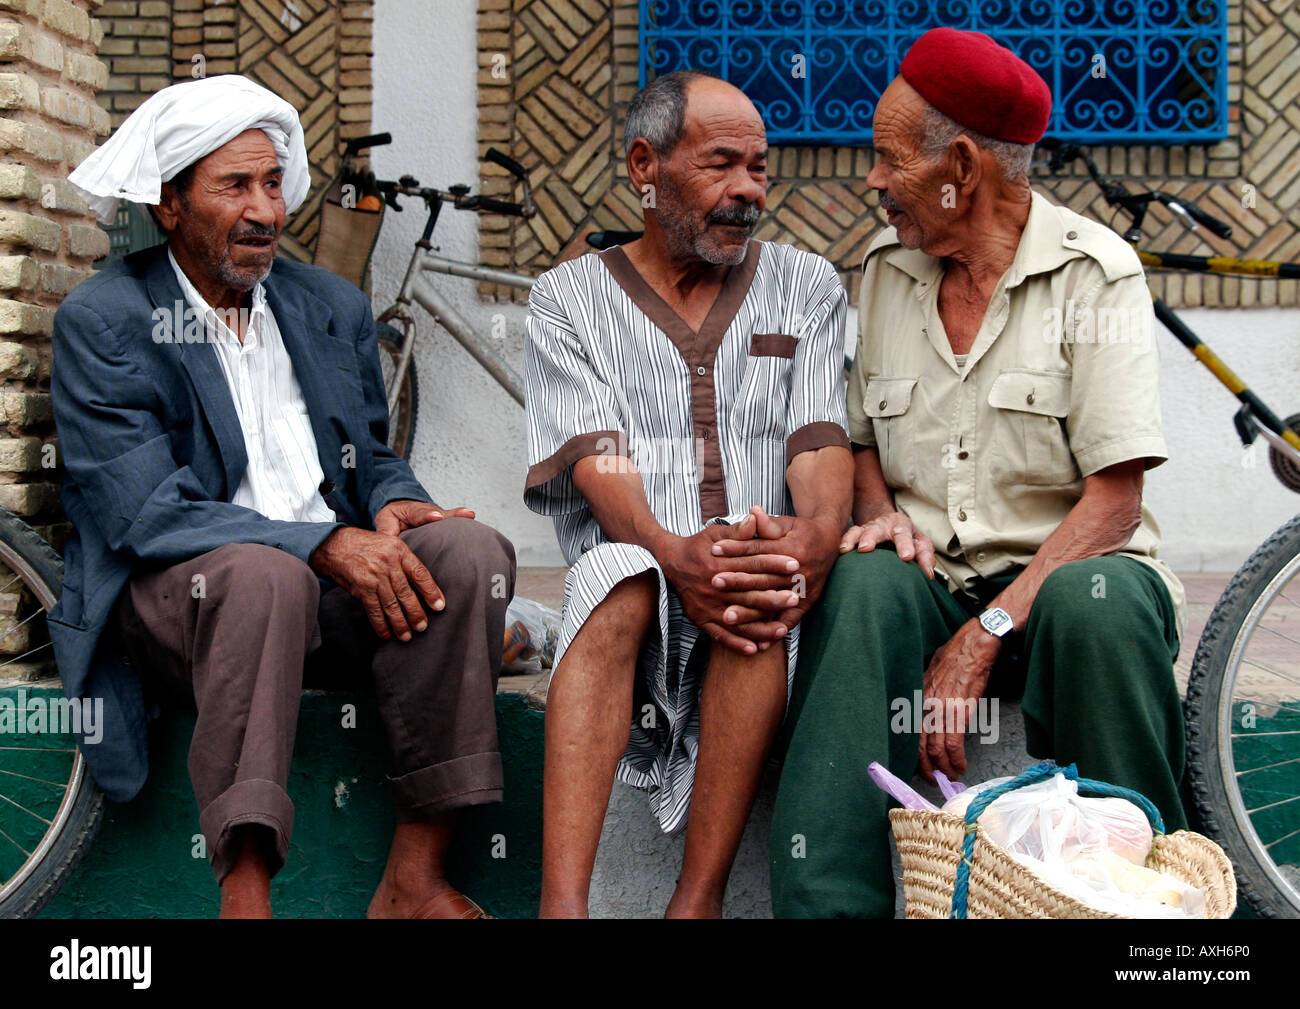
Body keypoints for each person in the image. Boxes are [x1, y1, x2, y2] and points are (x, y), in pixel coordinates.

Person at [53, 75, 515, 918]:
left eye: (273, 183)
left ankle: (413, 877)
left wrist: (394, 502)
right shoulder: (109, 318)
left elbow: (368, 454)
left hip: (322, 598)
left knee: (467, 552)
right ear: (168, 202)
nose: (266, 209)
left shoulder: (327, 304)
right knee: (265, 575)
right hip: (186, 605)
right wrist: (321, 545)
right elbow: (146, 511)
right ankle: (248, 896)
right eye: (235, 186)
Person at [769, 28, 1190, 918]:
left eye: (888, 160)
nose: (873, 182)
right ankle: (828, 907)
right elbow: (862, 441)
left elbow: (1115, 501)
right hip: (936, 576)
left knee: (1097, 608)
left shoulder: (1095, 274)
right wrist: (881, 512)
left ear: (960, 163)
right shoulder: (887, 271)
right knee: (860, 584)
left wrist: (988, 629)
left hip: (1070, 573)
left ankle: (1144, 900)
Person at [523, 71, 853, 917]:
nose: (748, 191)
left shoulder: (807, 285)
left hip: (747, 555)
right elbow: (598, 456)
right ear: (646, 164)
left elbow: (818, 435)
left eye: (760, 168)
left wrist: (815, 535)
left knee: (758, 581)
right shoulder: (569, 299)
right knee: (617, 576)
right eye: (721, 166)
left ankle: (695, 902)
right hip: (640, 559)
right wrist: (674, 553)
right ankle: (563, 907)